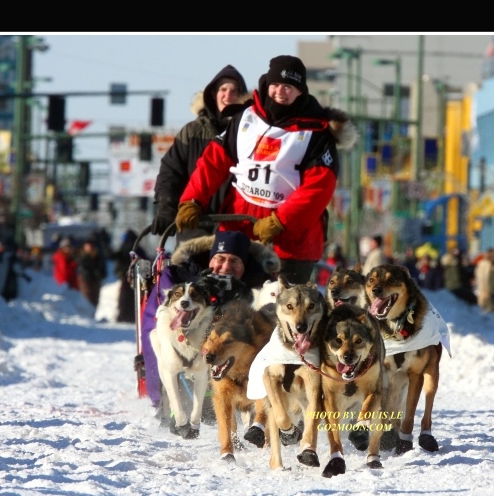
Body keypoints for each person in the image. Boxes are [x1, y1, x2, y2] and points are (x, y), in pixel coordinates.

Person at [174, 55, 357, 285]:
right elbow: (213, 161)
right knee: (229, 308)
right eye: (276, 85)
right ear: (266, 84)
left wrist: (281, 222)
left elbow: (319, 187)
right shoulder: (245, 117)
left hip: (290, 242)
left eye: (288, 87)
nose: (280, 91)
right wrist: (191, 200)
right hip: (239, 232)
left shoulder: (317, 132)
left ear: (300, 91)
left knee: (283, 313)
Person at [140, 229, 280, 416]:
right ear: (210, 259)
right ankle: (173, 402)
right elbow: (161, 316)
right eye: (220, 259)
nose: (225, 267)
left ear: (245, 265)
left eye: (234, 261)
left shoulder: (256, 285)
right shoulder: (186, 279)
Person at [150, 65, 249, 237]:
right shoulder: (192, 132)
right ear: (213, 94)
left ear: (241, 97)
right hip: (195, 225)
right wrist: (167, 207)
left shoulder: (251, 133)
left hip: (237, 229)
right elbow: (171, 173)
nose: (228, 95)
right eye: (223, 90)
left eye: (234, 91)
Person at [114, 229, 148, 323]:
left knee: (126, 298)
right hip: (133, 278)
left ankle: (127, 316)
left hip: (131, 278)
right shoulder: (137, 249)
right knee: (131, 298)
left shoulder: (128, 248)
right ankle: (130, 316)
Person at [76, 239, 108, 308]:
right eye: (87, 246)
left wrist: (99, 274)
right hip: (85, 281)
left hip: (95, 282)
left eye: (90, 246)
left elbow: (102, 268)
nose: (89, 248)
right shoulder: (81, 256)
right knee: (87, 300)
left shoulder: (97, 256)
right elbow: (82, 268)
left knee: (95, 300)